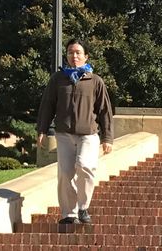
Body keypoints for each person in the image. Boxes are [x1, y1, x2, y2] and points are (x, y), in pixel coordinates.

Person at [36, 39, 114, 226]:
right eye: (71, 52)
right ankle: (69, 214)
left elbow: (104, 110)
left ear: (85, 56)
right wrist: (42, 129)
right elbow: (47, 105)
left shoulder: (95, 81)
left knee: (85, 166)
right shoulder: (58, 79)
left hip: (88, 133)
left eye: (78, 52)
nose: (74, 56)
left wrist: (108, 137)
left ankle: (83, 207)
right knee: (65, 172)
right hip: (64, 134)